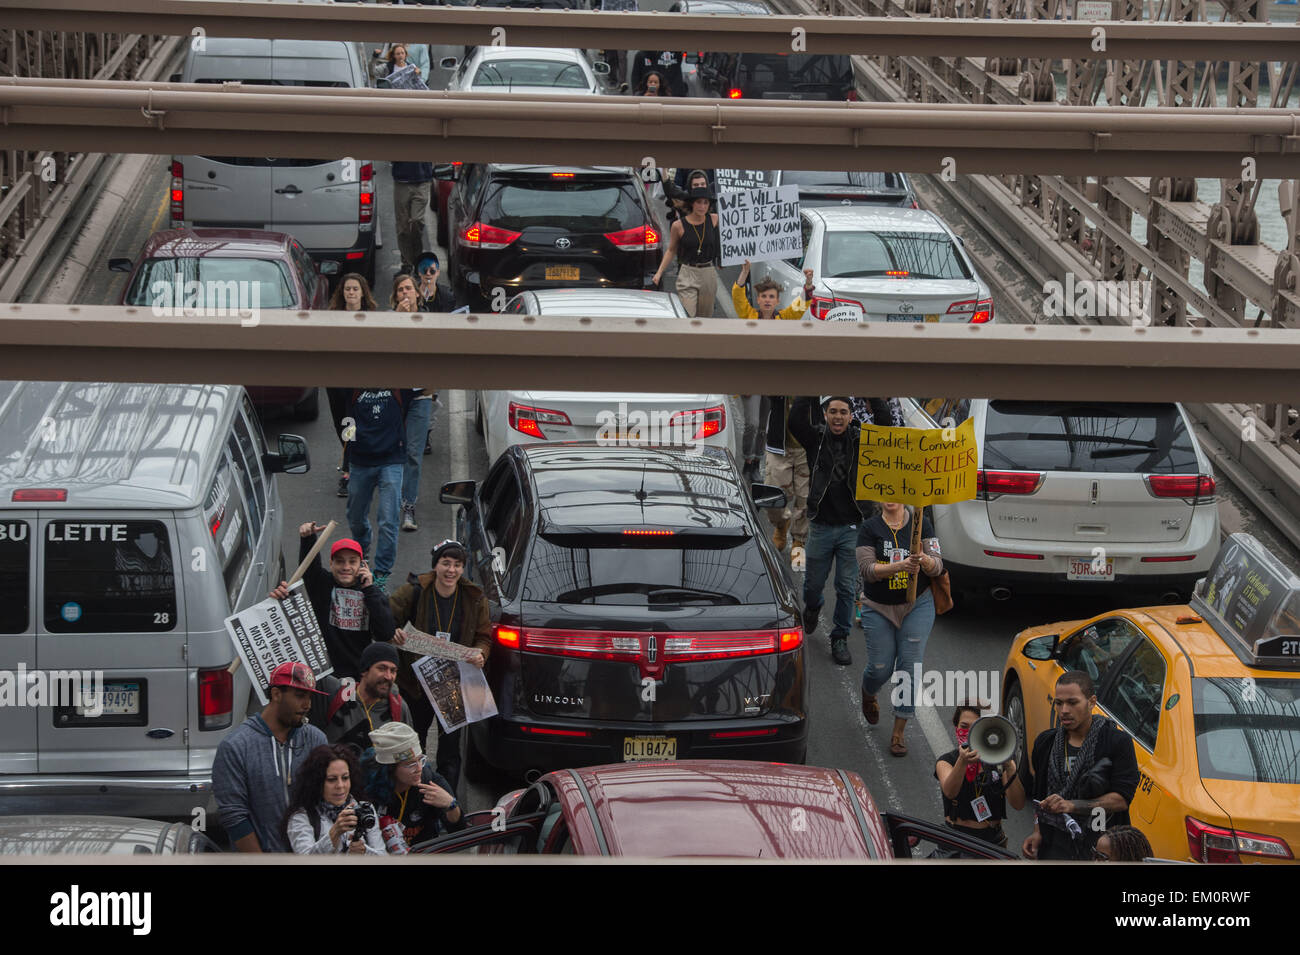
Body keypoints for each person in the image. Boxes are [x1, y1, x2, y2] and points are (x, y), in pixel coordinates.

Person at [389, 539, 491, 791]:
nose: (451, 570)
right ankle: (414, 797)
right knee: (414, 743)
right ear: (435, 566)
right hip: (416, 684)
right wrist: (393, 632)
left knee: (450, 750)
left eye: (457, 565)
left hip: (452, 685)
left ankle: (448, 804)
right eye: (445, 563)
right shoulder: (413, 591)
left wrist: (481, 653)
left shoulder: (474, 598)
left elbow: (484, 636)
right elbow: (386, 617)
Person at [787, 395, 874, 666]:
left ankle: (840, 637)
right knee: (813, 585)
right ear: (825, 414)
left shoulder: (862, 440)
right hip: (821, 527)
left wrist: (875, 393)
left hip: (852, 526)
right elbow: (795, 421)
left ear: (851, 415)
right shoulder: (816, 439)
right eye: (833, 411)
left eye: (843, 412)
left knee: (846, 587)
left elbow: (885, 423)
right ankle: (813, 607)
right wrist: (810, 388)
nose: (838, 417)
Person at [856, 500, 944, 757]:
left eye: (896, 491)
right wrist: (900, 566)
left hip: (917, 605)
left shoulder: (922, 524)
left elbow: (938, 565)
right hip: (878, 607)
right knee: (880, 666)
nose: (890, 497)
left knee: (909, 665)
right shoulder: (869, 528)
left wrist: (924, 560)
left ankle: (898, 731)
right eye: (885, 491)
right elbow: (867, 570)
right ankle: (868, 690)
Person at [1023, 670, 1141, 860]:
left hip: (1099, 848)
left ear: (1092, 702)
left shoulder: (1116, 742)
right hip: (1054, 846)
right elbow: (1040, 796)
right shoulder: (1045, 743)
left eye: (1072, 702)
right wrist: (1038, 831)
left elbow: (1120, 800)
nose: (1064, 710)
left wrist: (1072, 805)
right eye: (1059, 703)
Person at [213, 661, 328, 853]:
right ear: (276, 694)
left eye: (310, 696)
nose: (307, 704)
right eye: (300, 696)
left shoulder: (316, 739)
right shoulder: (236, 746)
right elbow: (234, 817)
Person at [271, 527, 395, 681]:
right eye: (340, 561)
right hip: (320, 674)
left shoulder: (371, 593)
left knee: (347, 705)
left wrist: (369, 589)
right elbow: (309, 568)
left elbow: (386, 633)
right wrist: (308, 539)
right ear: (331, 564)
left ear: (362, 566)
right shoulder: (322, 584)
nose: (346, 567)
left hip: (353, 678)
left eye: (352, 561)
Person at [732, 259, 815, 484]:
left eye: (771, 297)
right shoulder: (749, 316)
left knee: (763, 426)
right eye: (763, 297)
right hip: (750, 380)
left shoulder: (782, 318)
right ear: (758, 300)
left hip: (772, 382)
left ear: (777, 301)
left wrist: (808, 283)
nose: (767, 300)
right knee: (752, 423)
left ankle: (755, 463)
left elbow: (801, 305)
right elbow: (738, 297)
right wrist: (745, 272)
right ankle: (746, 460)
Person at [342, 387, 413, 592]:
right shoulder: (352, 387)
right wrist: (348, 454)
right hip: (360, 460)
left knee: (388, 520)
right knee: (355, 516)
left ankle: (381, 574)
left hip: (391, 460)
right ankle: (361, 553)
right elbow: (341, 412)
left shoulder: (399, 387)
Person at [934, 703, 1025, 853]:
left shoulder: (999, 761)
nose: (969, 733)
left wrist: (1009, 766)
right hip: (956, 840)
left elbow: (1018, 803)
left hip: (991, 840)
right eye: (964, 726)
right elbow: (950, 792)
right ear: (956, 727)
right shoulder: (946, 761)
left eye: (975, 727)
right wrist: (962, 762)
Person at [362, 721, 466, 851]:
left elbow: (459, 830)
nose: (418, 769)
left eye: (420, 759)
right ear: (390, 768)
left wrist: (451, 805)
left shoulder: (430, 782)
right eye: (410, 764)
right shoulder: (367, 788)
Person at [390, 269, 438, 531]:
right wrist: (398, 320)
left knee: (413, 454)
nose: (405, 293)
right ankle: (391, 496)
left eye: (409, 288)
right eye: (400, 290)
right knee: (393, 449)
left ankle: (408, 505)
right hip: (396, 394)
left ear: (418, 292)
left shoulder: (430, 320)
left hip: (421, 395)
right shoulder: (390, 320)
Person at [327, 274, 379, 499]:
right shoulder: (333, 318)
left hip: (361, 381)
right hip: (337, 380)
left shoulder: (372, 317)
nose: (351, 293)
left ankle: (349, 472)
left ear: (362, 292)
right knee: (342, 424)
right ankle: (352, 459)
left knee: (353, 425)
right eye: (347, 289)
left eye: (355, 289)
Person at [283, 743, 387, 855]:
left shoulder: (364, 808)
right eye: (332, 779)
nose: (340, 786)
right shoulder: (301, 817)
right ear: (316, 782)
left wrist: (364, 852)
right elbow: (305, 860)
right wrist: (335, 832)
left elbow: (383, 857)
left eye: (345, 778)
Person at [314, 641, 413, 751]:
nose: (388, 676)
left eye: (393, 671)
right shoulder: (335, 692)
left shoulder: (398, 707)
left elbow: (409, 754)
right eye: (382, 668)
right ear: (364, 670)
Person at [651, 186, 720, 318]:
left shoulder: (714, 219)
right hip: (688, 272)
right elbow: (671, 250)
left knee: (705, 318)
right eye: (699, 202)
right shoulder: (678, 225)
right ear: (692, 203)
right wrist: (659, 273)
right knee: (687, 316)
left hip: (708, 272)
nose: (702, 206)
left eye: (706, 203)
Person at [391, 159, 434, 273]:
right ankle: (407, 264)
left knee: (416, 220)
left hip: (422, 180)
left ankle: (416, 260)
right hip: (401, 180)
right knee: (403, 227)